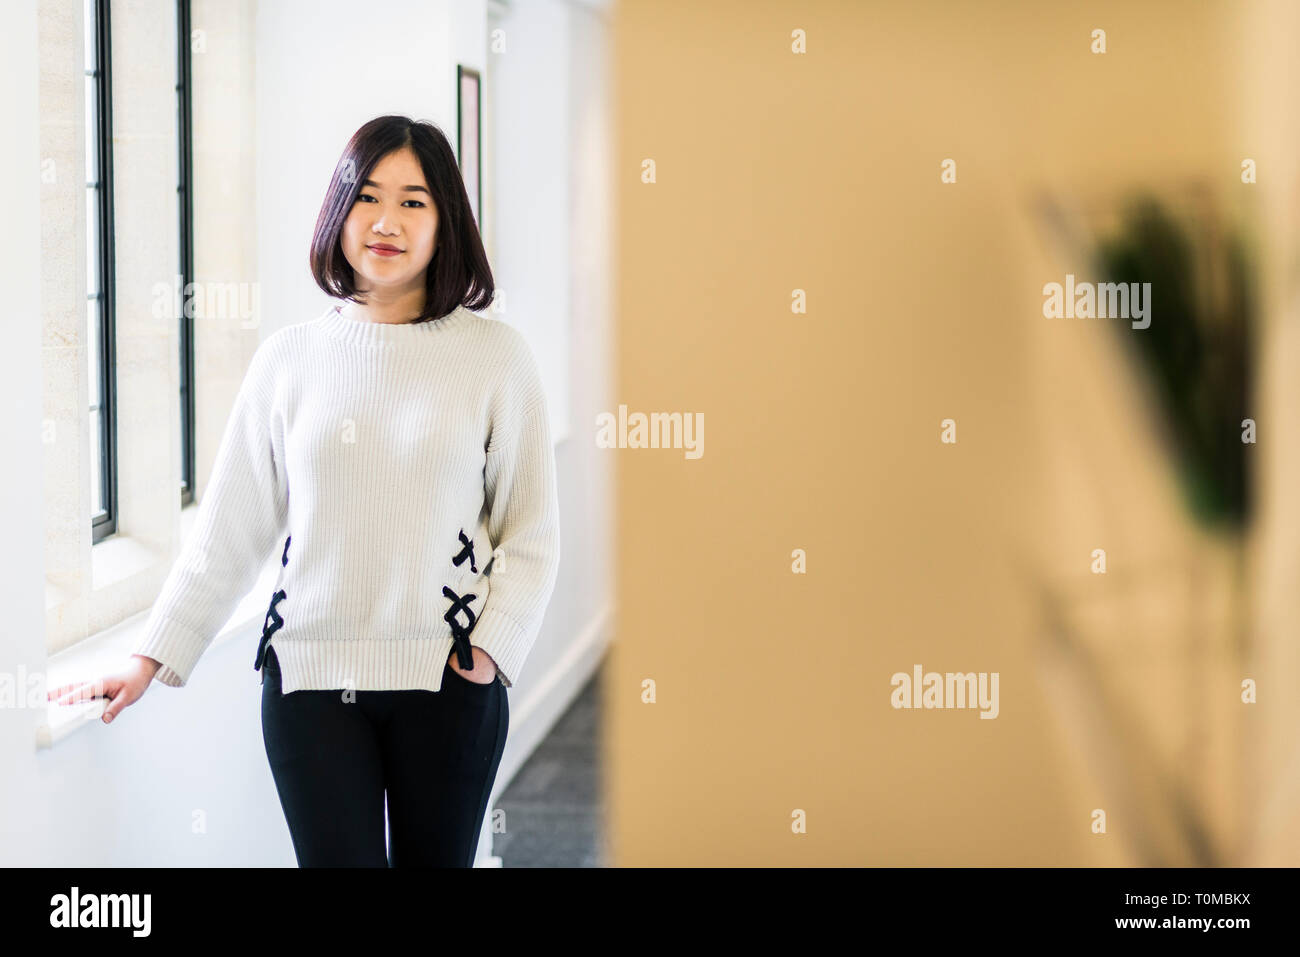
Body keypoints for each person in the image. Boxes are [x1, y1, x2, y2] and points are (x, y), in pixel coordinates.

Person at [46, 114, 562, 867]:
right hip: (311, 687)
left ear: (447, 220)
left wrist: (490, 647)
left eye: (414, 201)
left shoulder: (496, 358)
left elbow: (532, 532)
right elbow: (228, 531)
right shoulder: (288, 361)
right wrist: (149, 657)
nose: (386, 221)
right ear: (339, 211)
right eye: (368, 196)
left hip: (447, 680)